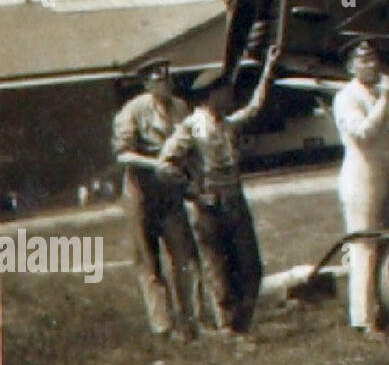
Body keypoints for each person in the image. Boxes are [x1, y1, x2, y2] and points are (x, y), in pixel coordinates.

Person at [159, 46, 280, 337]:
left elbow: (253, 108)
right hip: (209, 206)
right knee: (219, 268)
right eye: (225, 91)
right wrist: (192, 190)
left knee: (250, 267)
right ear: (213, 94)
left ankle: (241, 324)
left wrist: (268, 71)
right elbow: (165, 164)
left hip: (234, 201)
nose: (230, 96)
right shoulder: (192, 126)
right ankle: (228, 327)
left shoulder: (224, 123)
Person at [332, 38, 389, 336]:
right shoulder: (347, 98)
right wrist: (385, 98)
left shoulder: (376, 94)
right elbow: (365, 132)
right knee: (364, 247)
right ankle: (363, 320)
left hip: (384, 177)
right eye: (363, 60)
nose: (371, 65)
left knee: (386, 244)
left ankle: (383, 307)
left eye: (373, 59)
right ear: (350, 66)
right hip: (361, 181)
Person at [111, 59, 202, 340]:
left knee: (185, 257)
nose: (164, 83)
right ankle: (162, 325)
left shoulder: (180, 108)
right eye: (157, 79)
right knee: (148, 262)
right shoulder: (133, 111)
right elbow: (122, 153)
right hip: (141, 192)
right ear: (147, 84)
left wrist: (192, 179)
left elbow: (190, 146)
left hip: (170, 193)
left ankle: (192, 322)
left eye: (167, 77)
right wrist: (154, 164)